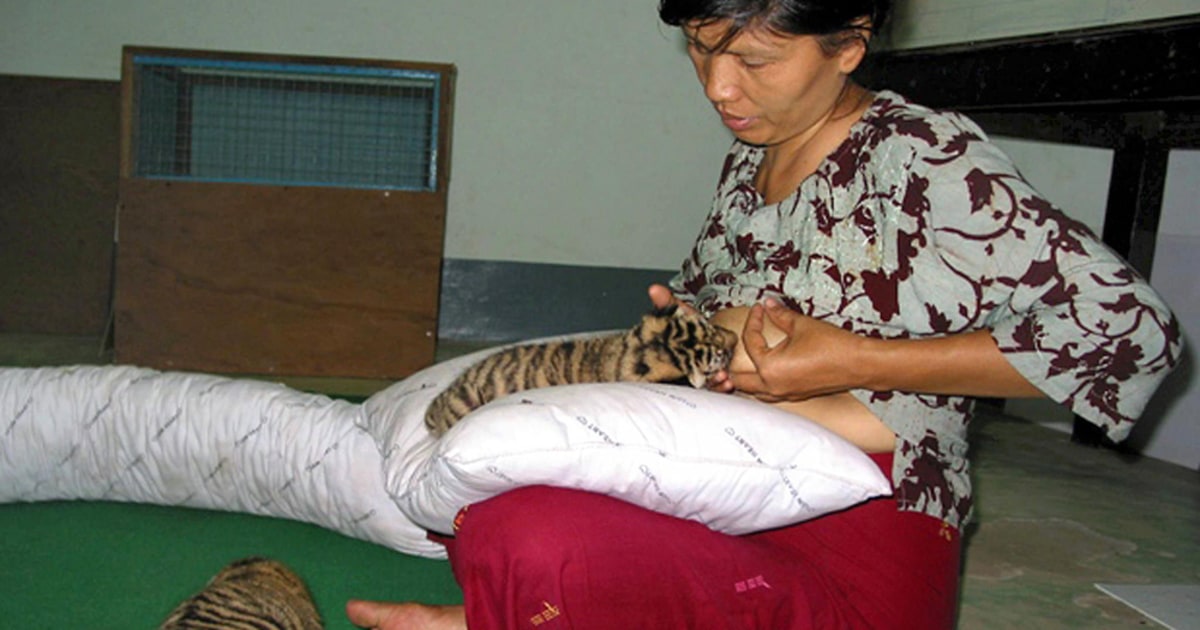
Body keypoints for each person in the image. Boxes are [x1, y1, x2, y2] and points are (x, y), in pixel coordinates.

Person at [347, 1, 1182, 628]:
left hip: (861, 530)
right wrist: (677, 344)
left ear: (849, 43)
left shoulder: (922, 157)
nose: (719, 87)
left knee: (538, 547)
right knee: (500, 511)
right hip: (720, 484)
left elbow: (1131, 336)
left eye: (754, 59)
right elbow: (709, 333)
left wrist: (855, 359)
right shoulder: (751, 160)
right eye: (700, 47)